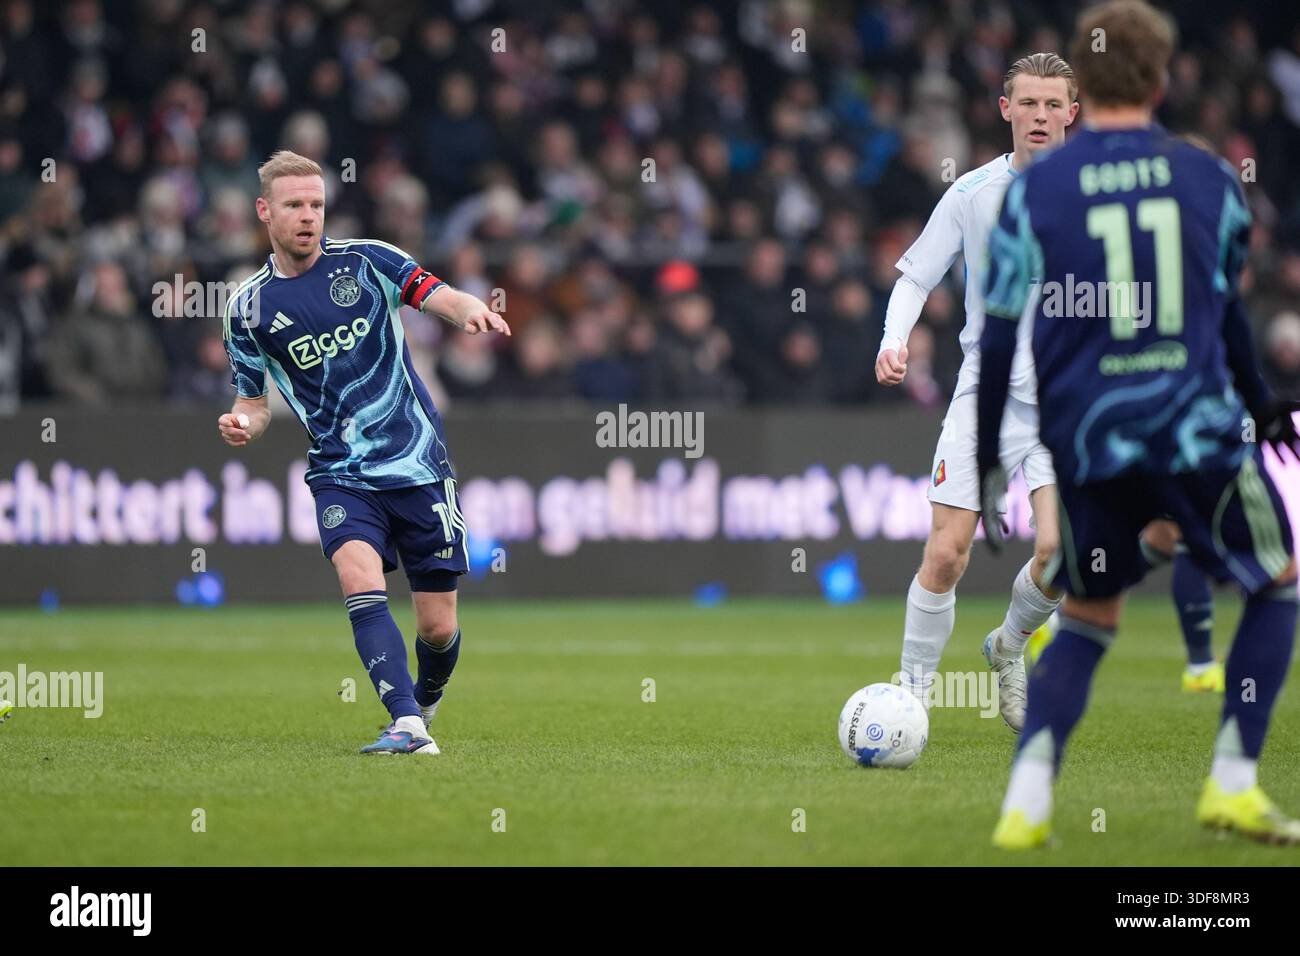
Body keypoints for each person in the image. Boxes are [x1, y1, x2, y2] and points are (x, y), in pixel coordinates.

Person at [978, 0, 1300, 847]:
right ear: (1163, 79)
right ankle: (1232, 782)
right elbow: (1226, 308)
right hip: (1195, 430)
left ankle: (1026, 802)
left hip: (1087, 443)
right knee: (1277, 582)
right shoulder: (1205, 176)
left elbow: (999, 334)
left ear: (1080, 87)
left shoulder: (1036, 188)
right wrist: (1263, 401)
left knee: (1088, 614)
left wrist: (985, 461)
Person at [218, 150, 510, 756]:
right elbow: (254, 400)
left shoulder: (369, 261)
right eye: (294, 205)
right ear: (264, 210)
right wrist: (242, 423)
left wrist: (471, 310)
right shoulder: (248, 308)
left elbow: (436, 294)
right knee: (359, 578)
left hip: (417, 464)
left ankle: (423, 704)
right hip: (339, 472)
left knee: (437, 626)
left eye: (317, 205)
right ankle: (405, 723)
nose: (308, 217)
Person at [875, 53, 1078, 730]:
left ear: (1072, 114)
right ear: (1005, 110)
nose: (1040, 116)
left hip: (1067, 401)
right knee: (944, 552)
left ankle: (1009, 646)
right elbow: (914, 277)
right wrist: (893, 338)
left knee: (1059, 555)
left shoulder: (1096, 197)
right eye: (1028, 104)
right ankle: (911, 699)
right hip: (984, 392)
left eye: (1053, 104)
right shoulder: (971, 194)